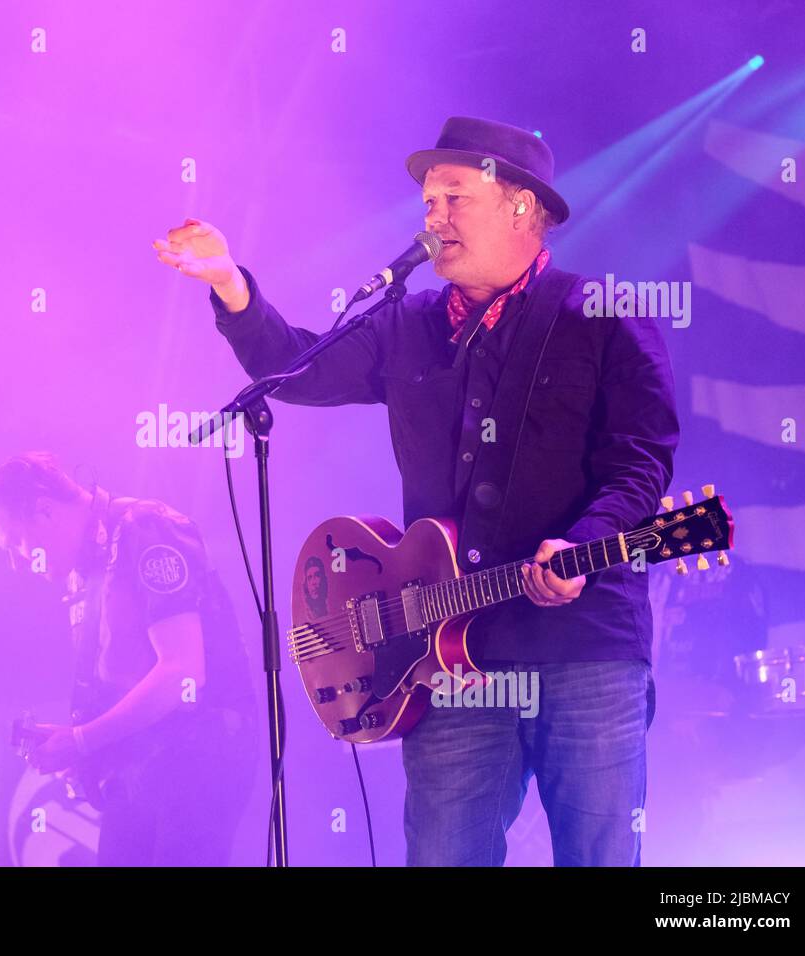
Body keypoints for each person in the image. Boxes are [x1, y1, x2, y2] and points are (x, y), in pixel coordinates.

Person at [153, 116, 680, 866]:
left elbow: (641, 460)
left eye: (455, 198)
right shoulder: (409, 323)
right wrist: (232, 287)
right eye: (428, 204)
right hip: (448, 660)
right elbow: (296, 367)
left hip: (583, 651)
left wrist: (582, 545)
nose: (433, 220)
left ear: (521, 206)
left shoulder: (598, 312)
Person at [0, 453, 259, 866]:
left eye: (16, 542)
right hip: (142, 772)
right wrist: (88, 746)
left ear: (44, 508)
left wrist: (83, 740)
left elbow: (182, 672)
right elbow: (126, 681)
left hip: (197, 759)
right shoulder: (83, 568)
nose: (18, 563)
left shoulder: (146, 529)